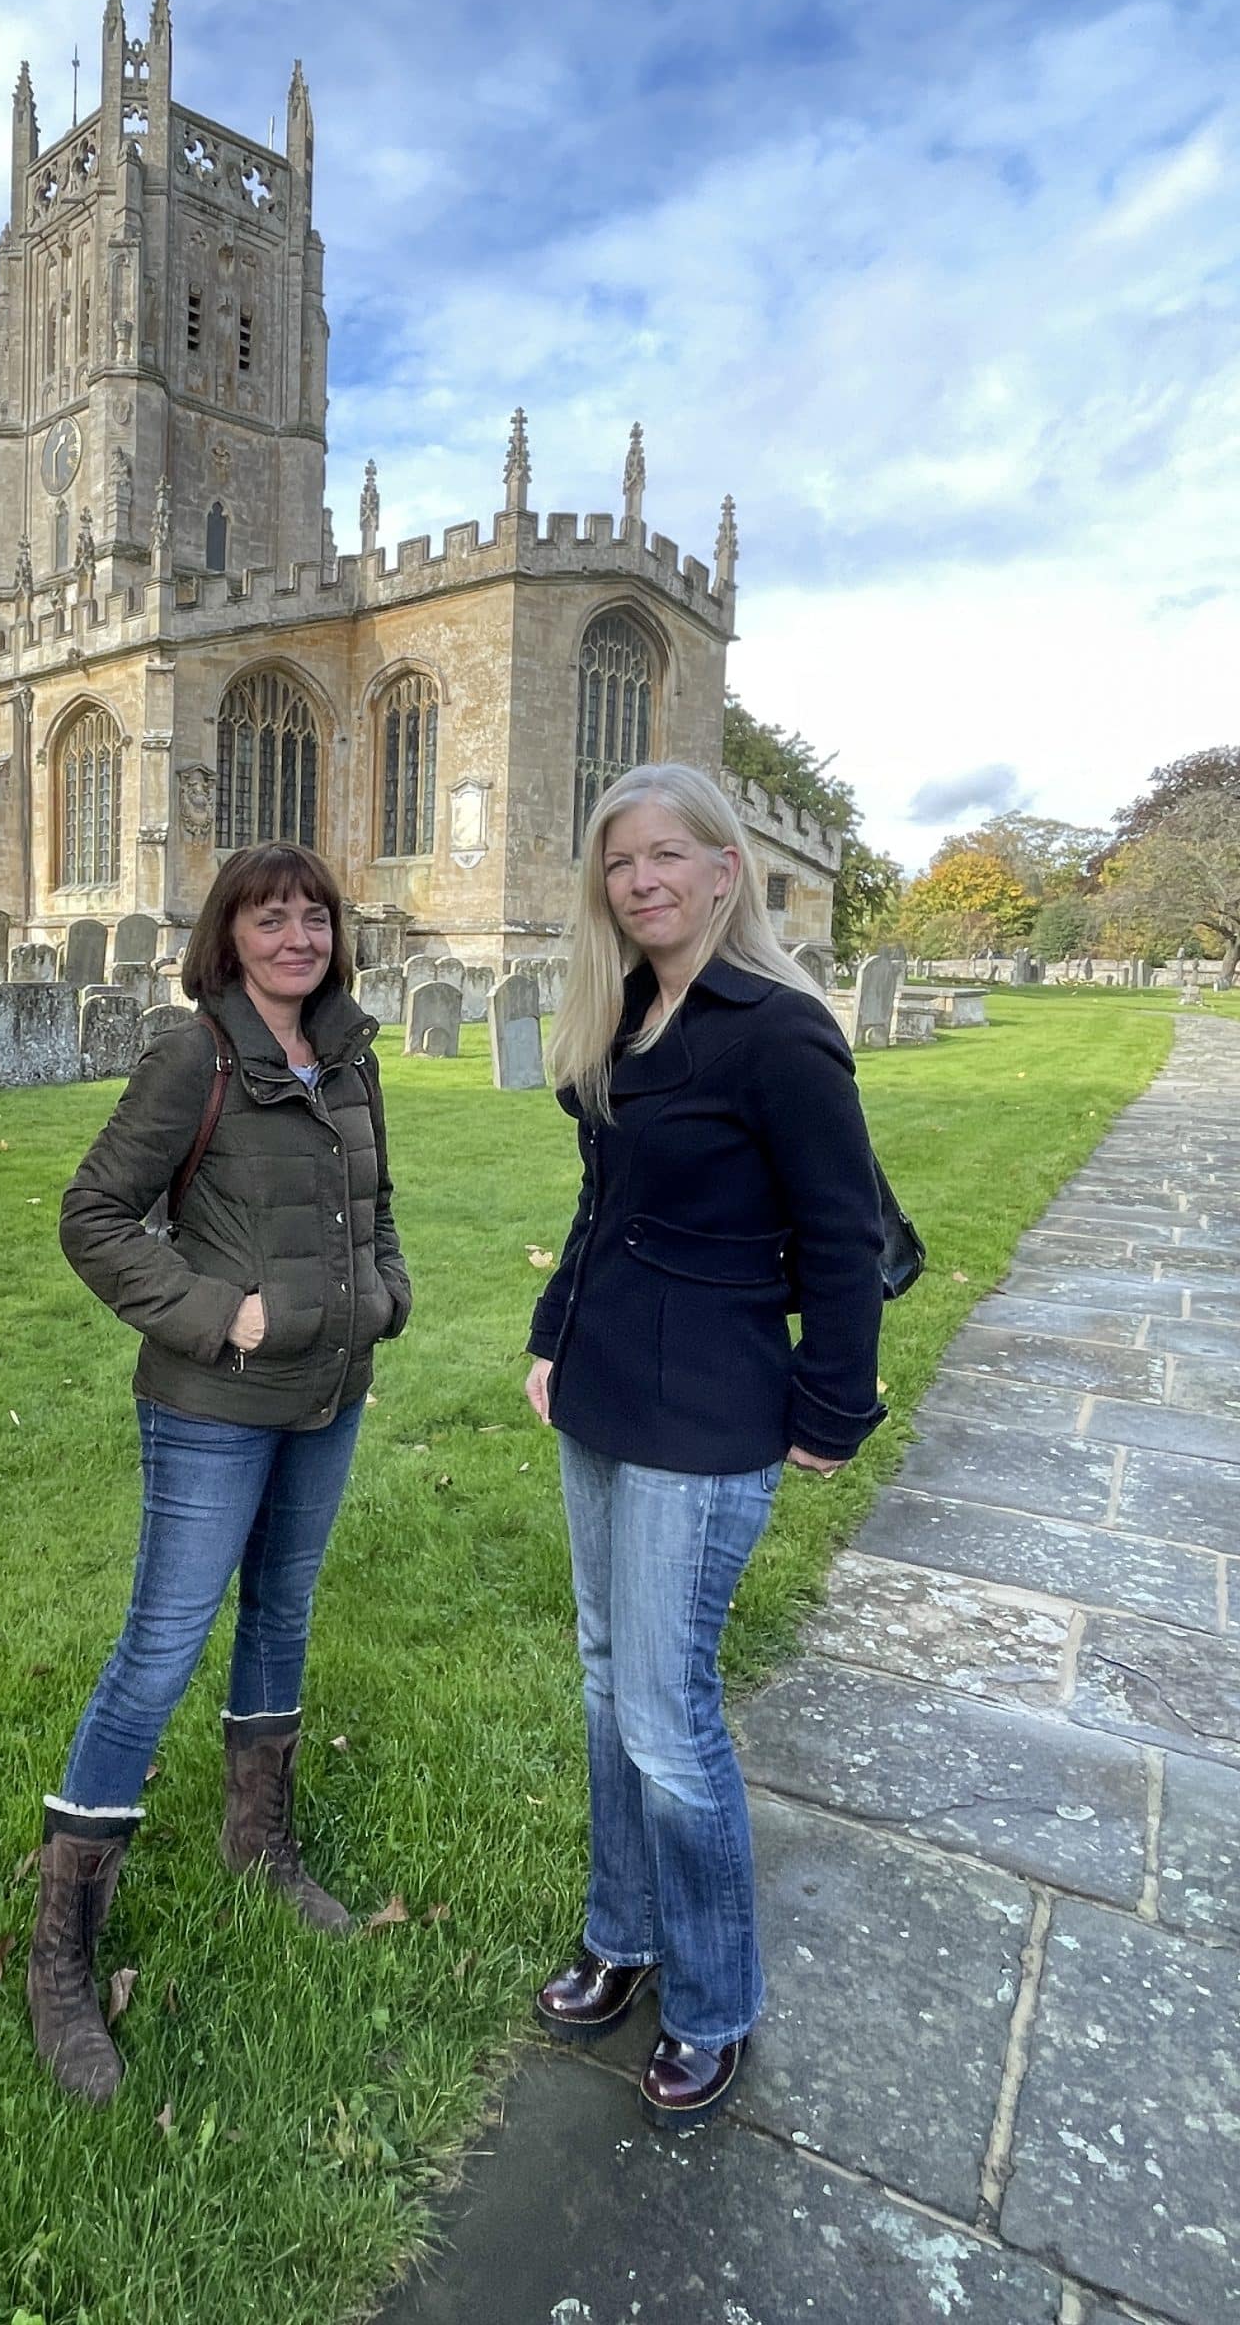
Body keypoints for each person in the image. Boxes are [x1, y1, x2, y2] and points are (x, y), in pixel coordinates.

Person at [524, 761, 884, 2131]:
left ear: (727, 869)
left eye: (668, 854)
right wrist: (552, 1338)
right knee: (608, 1681)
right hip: (606, 1387)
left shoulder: (778, 1032)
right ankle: (621, 1935)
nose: (642, 880)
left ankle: (715, 1998)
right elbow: (601, 1202)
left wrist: (833, 1408)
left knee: (669, 1719)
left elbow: (841, 1235)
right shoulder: (623, 1015)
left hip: (711, 1405)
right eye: (621, 861)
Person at [31, 843, 412, 2104]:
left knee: (282, 1613)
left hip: (329, 1394)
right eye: (270, 917)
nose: (298, 936)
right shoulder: (192, 1055)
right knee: (162, 1646)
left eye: (315, 917)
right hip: (213, 1404)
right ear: (229, 936)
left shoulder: (348, 1053)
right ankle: (62, 1952)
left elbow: (375, 1203)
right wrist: (218, 1313)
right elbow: (93, 1214)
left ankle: (261, 1844)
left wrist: (385, 1292)